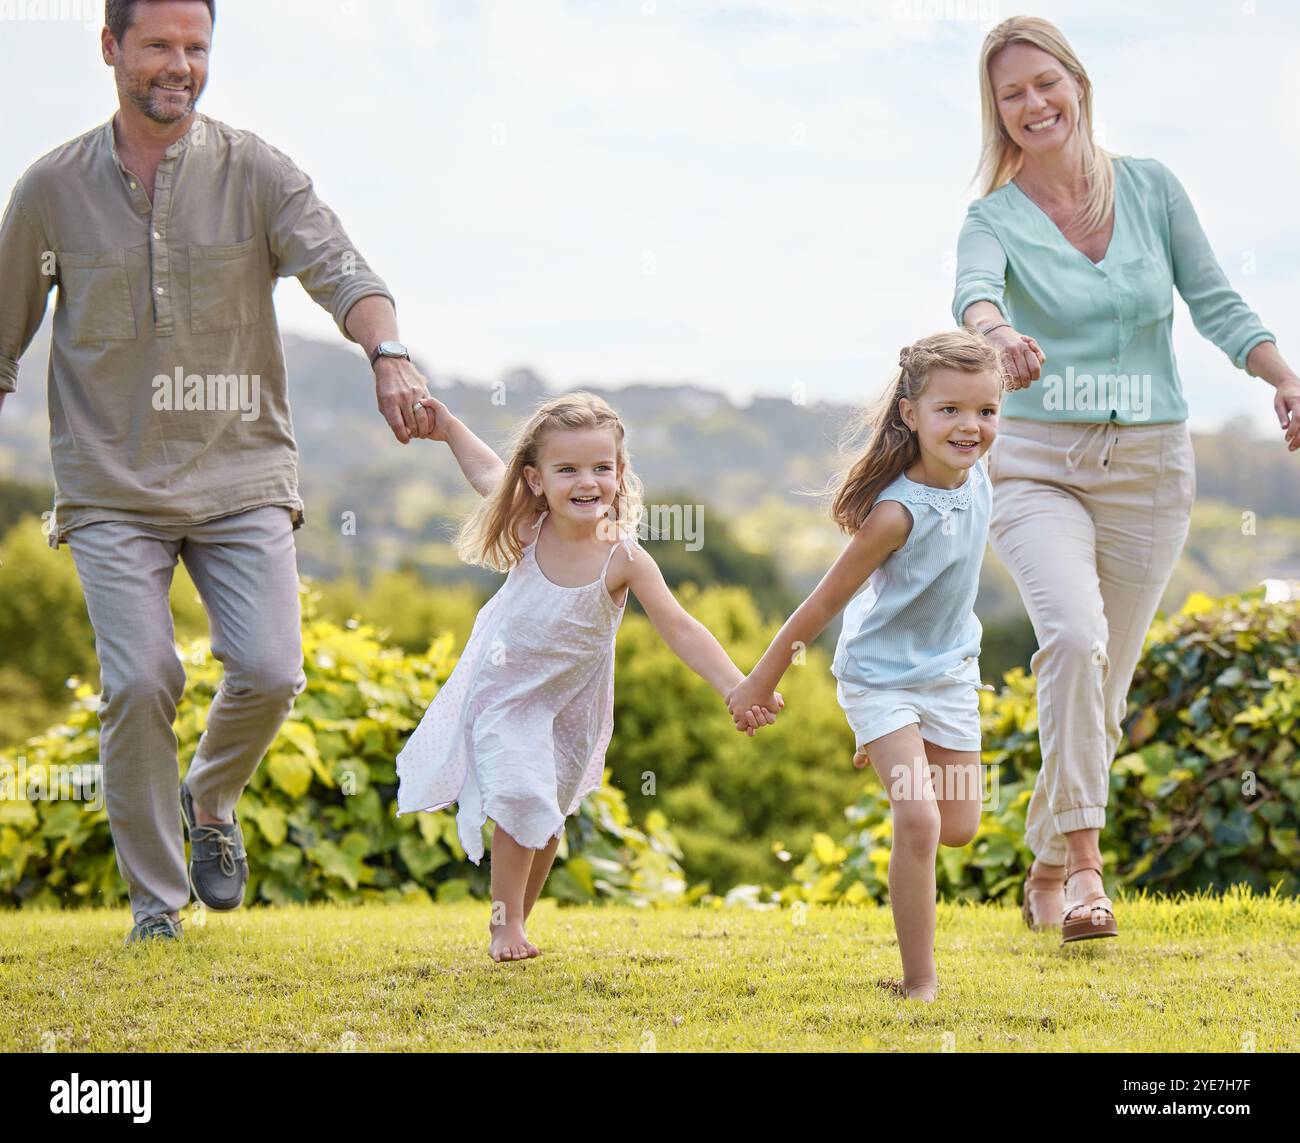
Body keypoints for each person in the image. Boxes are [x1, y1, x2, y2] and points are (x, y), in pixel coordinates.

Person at [0, 0, 437, 944]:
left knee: (274, 669)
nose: (179, 65)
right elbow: (4, 333)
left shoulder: (257, 172)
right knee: (142, 679)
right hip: (111, 485)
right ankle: (158, 907)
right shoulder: (48, 191)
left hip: (241, 471)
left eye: (196, 47)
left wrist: (388, 352)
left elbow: (341, 269)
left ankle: (211, 794)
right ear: (111, 48)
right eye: (158, 45)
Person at [953, 16, 1300, 943]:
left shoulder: (1150, 188)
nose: (1032, 105)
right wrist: (996, 335)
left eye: (1043, 84)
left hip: (1150, 467)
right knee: (1071, 639)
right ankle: (1087, 877)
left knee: (1103, 686)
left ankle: (1044, 861)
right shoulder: (993, 216)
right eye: (1010, 95)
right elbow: (974, 292)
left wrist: (1283, 376)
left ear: (1078, 82)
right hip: (1036, 464)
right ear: (996, 113)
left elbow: (1216, 300)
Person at [395, 391, 782, 962]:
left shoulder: (622, 557)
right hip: (506, 691)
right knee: (520, 792)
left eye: (601, 468)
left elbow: (679, 627)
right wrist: (449, 426)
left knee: (548, 813)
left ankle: (518, 921)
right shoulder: (531, 527)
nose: (587, 481)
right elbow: (484, 471)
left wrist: (735, 685)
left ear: (620, 474)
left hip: (573, 705)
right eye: (567, 469)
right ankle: (503, 927)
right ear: (535, 479)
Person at [727, 330, 1006, 1001]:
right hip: (880, 677)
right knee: (920, 821)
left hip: (949, 674)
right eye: (950, 411)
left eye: (986, 411)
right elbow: (822, 603)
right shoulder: (893, 514)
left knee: (962, 828)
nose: (970, 426)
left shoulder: (981, 476)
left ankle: (887, 748)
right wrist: (759, 680)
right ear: (911, 414)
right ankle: (920, 982)